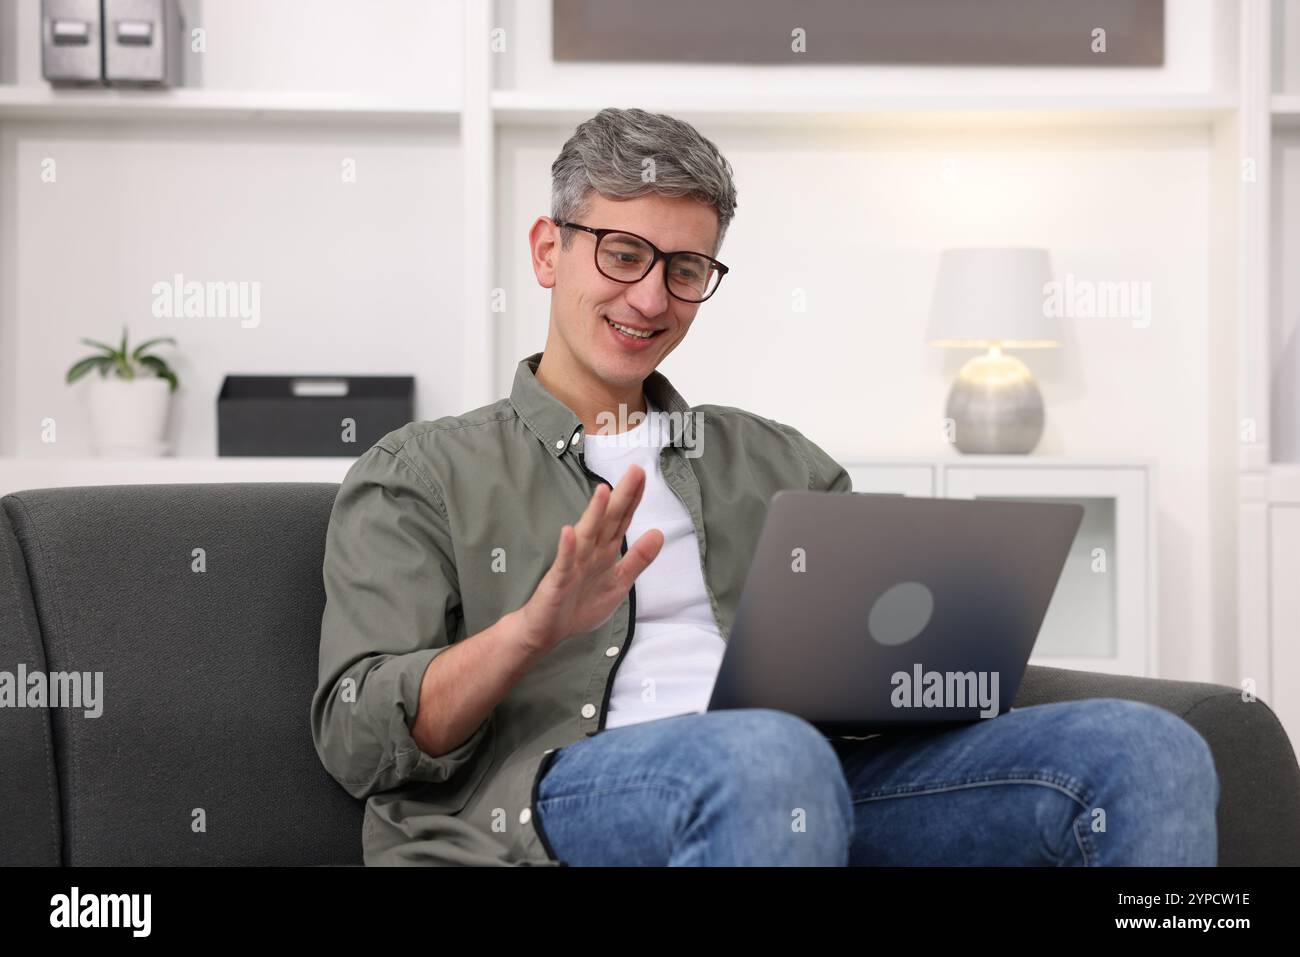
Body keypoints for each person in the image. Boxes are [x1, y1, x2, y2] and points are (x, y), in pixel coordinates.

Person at [311, 107, 1219, 866]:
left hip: (816, 782)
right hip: (564, 796)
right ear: (551, 250)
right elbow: (356, 738)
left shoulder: (784, 464)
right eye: (623, 252)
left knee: (1147, 748)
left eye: (686, 269)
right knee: (765, 756)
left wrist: (932, 667)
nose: (652, 299)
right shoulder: (419, 472)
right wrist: (529, 630)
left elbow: (885, 677)